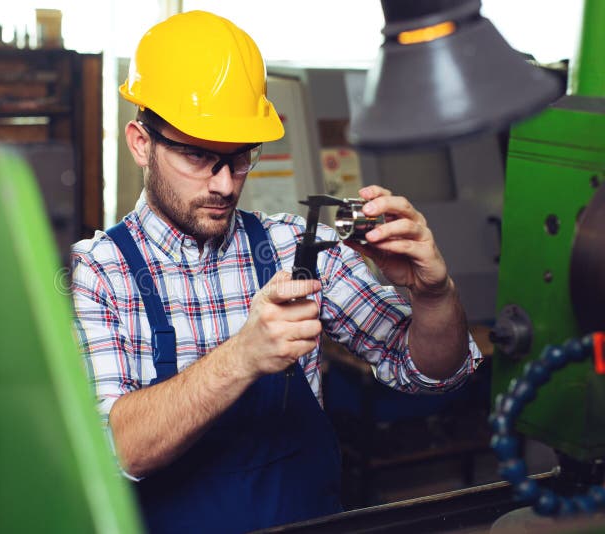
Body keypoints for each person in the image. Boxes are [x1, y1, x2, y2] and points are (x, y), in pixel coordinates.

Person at [71, 10, 483, 534]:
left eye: (240, 158)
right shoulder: (99, 273)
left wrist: (433, 296)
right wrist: (242, 356)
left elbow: (431, 372)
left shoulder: (296, 247)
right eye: (198, 156)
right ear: (140, 143)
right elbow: (115, 451)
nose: (223, 183)